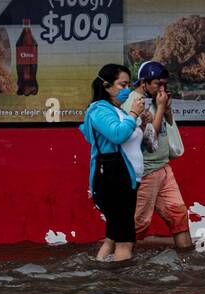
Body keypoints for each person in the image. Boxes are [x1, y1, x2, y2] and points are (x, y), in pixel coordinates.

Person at [80, 64, 153, 262]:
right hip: (112, 177)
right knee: (125, 240)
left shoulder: (117, 111)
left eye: (128, 84)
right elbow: (117, 134)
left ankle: (101, 274)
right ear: (106, 85)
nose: (127, 89)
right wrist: (134, 115)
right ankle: (119, 287)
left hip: (124, 178)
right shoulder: (99, 110)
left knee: (113, 237)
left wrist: (143, 123)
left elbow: (137, 144)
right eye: (122, 84)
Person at [131, 61, 194, 251]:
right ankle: (118, 263)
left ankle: (187, 262)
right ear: (144, 83)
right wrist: (160, 108)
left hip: (163, 167)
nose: (163, 89)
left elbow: (168, 129)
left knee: (179, 215)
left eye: (165, 84)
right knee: (137, 223)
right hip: (147, 171)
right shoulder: (135, 103)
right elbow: (149, 140)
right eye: (158, 84)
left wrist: (166, 110)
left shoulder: (155, 100)